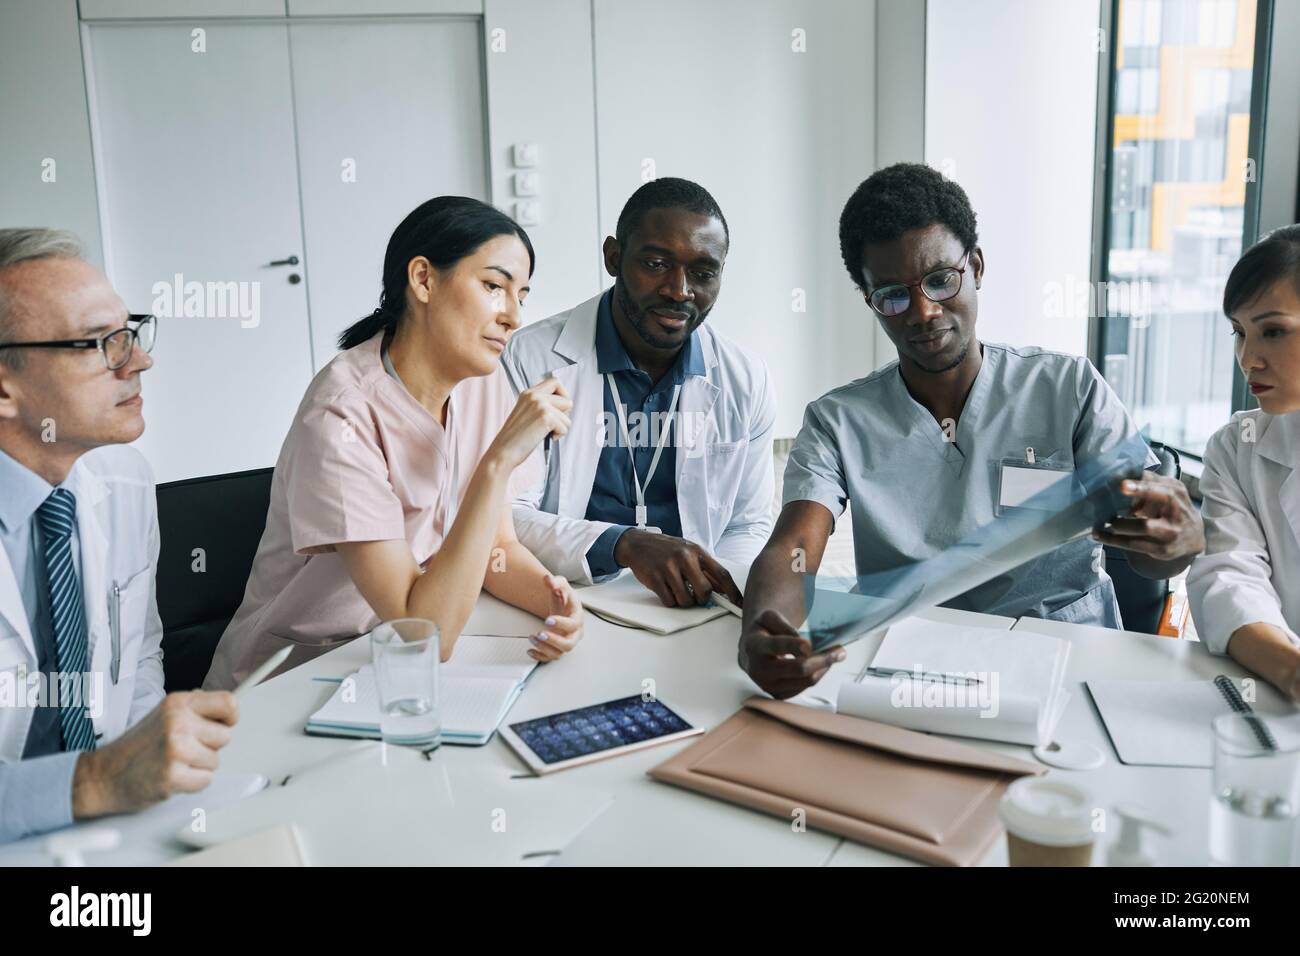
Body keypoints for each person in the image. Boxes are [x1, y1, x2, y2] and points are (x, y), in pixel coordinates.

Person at [739, 163, 1205, 699]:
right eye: (892, 294)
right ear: (869, 300)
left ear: (976, 266)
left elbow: (1149, 553)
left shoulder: (1068, 388)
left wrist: (1180, 543)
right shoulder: (838, 421)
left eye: (941, 280)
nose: (923, 311)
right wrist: (761, 629)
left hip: (1069, 659)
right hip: (917, 668)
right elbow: (794, 548)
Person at [204, 198, 584, 690]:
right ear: (423, 279)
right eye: (494, 287)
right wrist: (498, 463)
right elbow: (422, 633)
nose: (512, 316)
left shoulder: (480, 382)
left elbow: (498, 548)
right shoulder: (340, 413)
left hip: (398, 661)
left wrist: (554, 603)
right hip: (298, 678)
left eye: (522, 296)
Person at [0, 228, 239, 843]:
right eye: (97, 344)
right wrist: (95, 781)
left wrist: (149, 786)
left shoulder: (122, 477)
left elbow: (136, 655)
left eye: (128, 331)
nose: (139, 360)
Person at [502, 178, 775, 608]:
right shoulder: (529, 358)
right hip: (567, 591)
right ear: (614, 257)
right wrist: (623, 544)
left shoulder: (745, 379)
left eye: (703, 273)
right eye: (656, 264)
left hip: (688, 606)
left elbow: (748, 524)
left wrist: (722, 598)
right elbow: (507, 516)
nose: (679, 291)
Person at [1188, 225, 1300, 700]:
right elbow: (1228, 579)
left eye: (1273, 331)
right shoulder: (1238, 448)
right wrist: (1293, 673)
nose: (1248, 359)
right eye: (1239, 333)